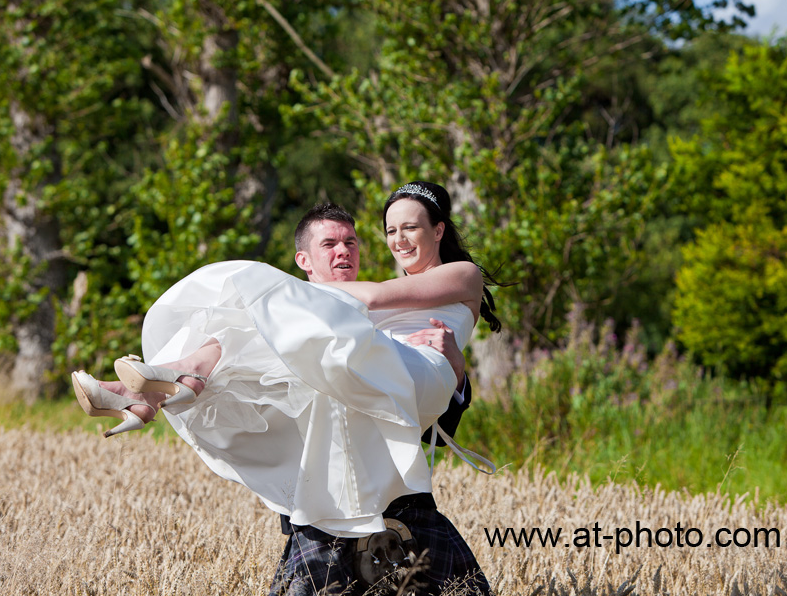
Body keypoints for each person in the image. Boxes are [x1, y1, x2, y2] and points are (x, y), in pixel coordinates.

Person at [72, 182, 499, 594]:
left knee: (267, 311)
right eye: (390, 230)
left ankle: (172, 383)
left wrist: (456, 368)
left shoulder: (458, 275)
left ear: (438, 230)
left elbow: (371, 300)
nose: (399, 239)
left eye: (411, 228)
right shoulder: (364, 313)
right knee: (248, 326)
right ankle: (165, 385)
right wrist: (283, 306)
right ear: (305, 259)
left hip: (410, 397)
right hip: (355, 427)